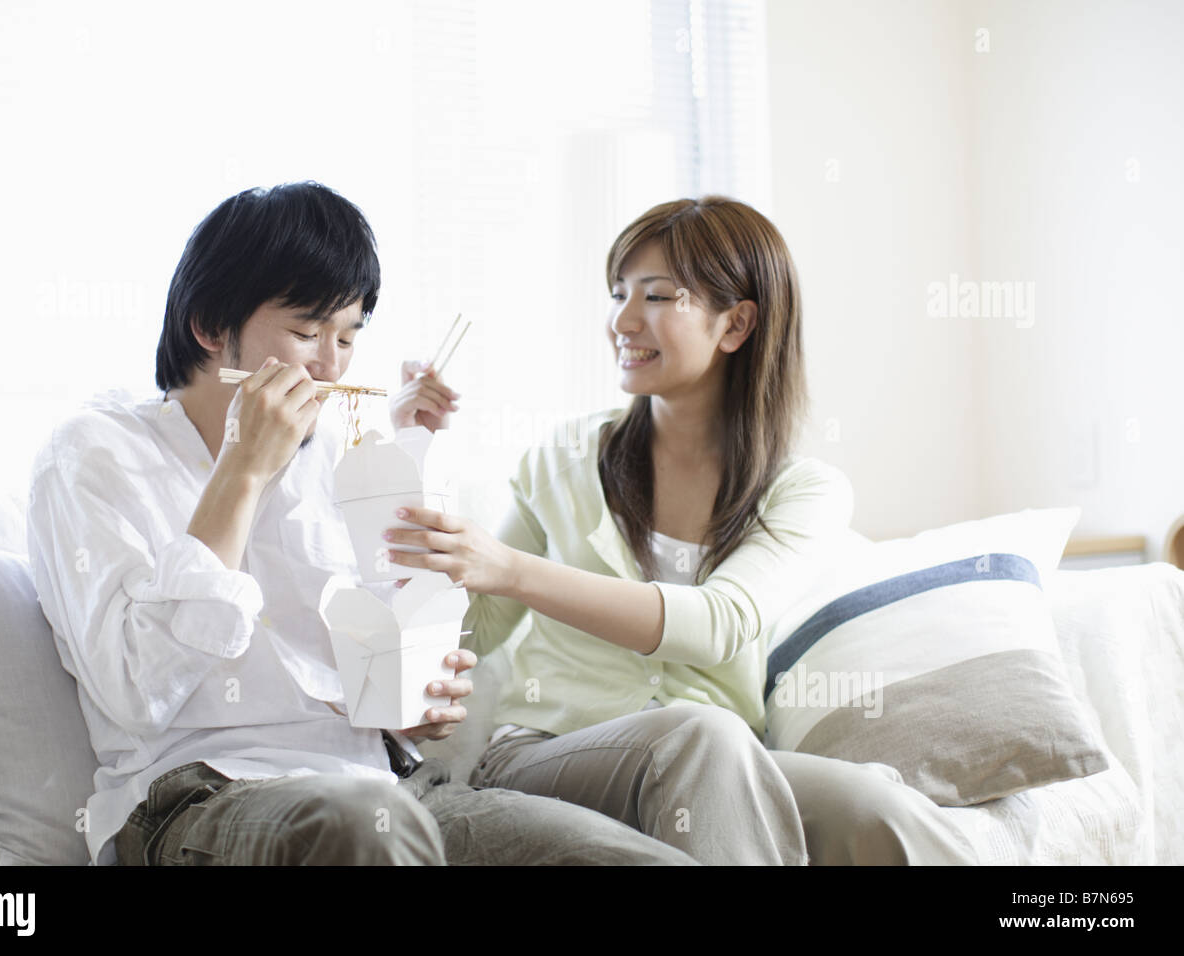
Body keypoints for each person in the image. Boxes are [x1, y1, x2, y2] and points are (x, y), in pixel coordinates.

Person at [25, 181, 696, 866]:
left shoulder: (338, 465)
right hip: (196, 797)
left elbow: (372, 680)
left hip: (378, 783)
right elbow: (134, 690)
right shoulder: (94, 454)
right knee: (364, 821)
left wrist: (410, 711)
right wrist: (242, 471)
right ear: (207, 326)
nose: (330, 364)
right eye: (306, 332)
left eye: (348, 337)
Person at [383, 196, 979, 865]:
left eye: (659, 295)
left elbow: (719, 622)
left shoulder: (801, 490)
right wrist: (413, 461)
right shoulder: (565, 459)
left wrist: (512, 567)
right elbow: (477, 626)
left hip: (720, 765)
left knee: (880, 812)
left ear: (737, 325)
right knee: (705, 736)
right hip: (545, 752)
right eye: (618, 293)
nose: (624, 320)